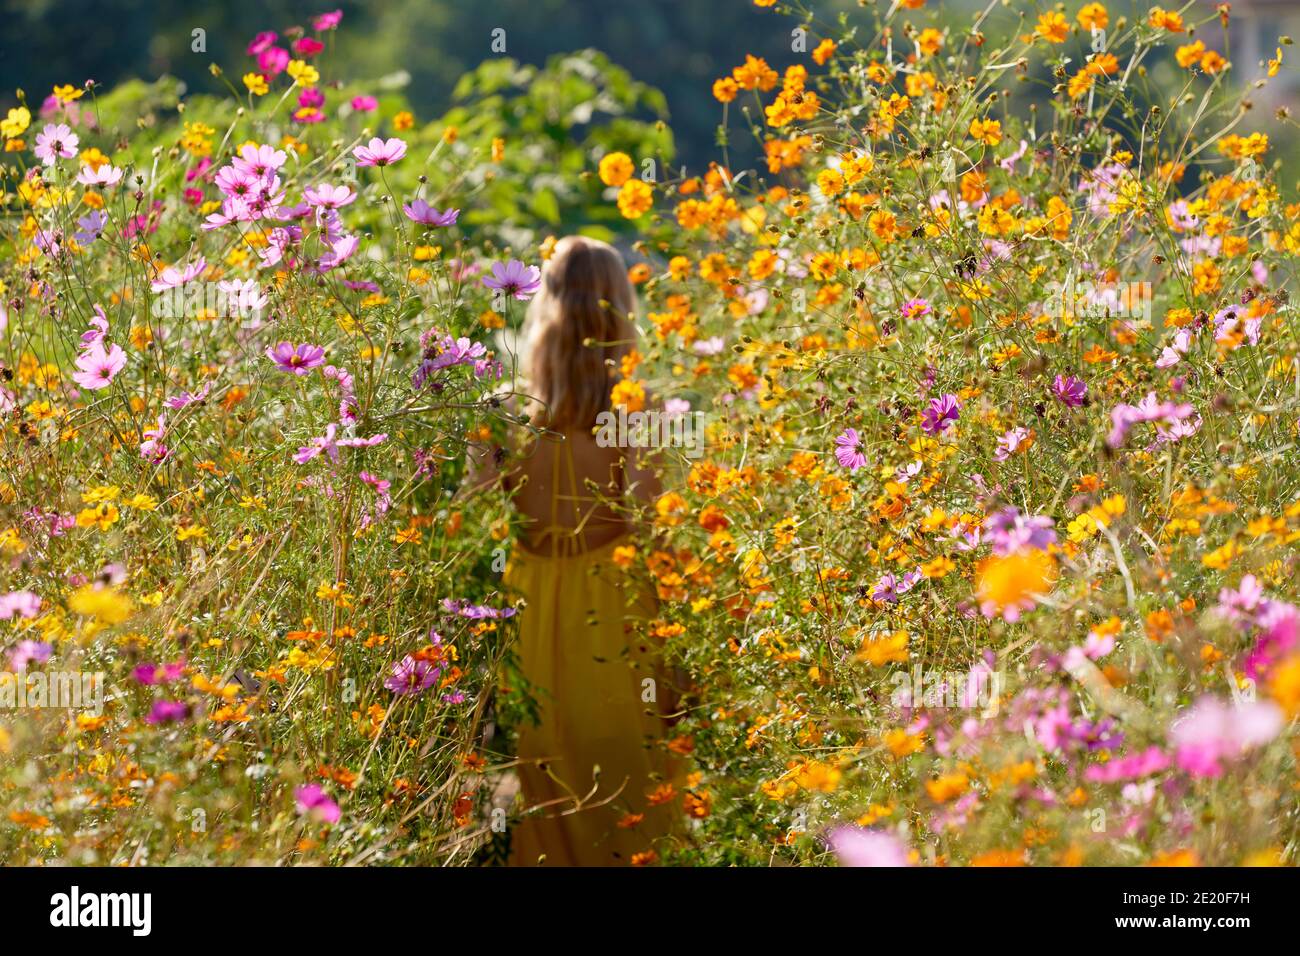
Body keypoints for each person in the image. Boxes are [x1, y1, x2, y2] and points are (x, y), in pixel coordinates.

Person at [465, 236, 678, 866]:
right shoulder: (636, 407)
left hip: (531, 596)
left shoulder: (504, 409)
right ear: (619, 307)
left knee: (544, 756)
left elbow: (477, 514)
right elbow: (649, 522)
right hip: (611, 595)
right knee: (626, 753)